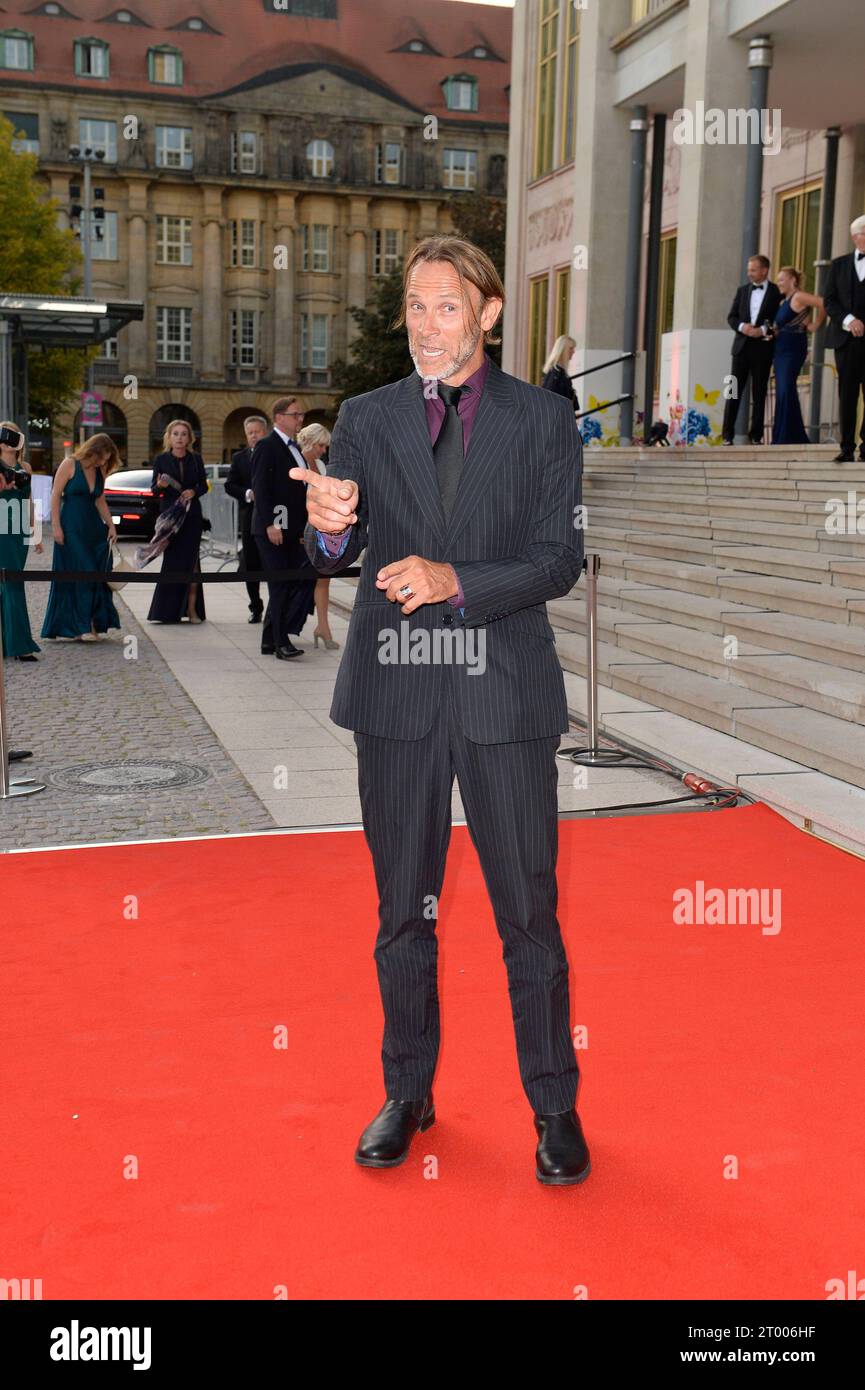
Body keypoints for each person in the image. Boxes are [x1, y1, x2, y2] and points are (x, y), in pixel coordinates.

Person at [292, 234, 589, 1185]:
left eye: (446, 307)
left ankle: (552, 1106)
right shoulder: (367, 418)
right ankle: (407, 1092)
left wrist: (456, 579)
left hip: (504, 694)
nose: (426, 327)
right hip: (397, 695)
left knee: (527, 917)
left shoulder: (543, 422)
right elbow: (337, 550)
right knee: (399, 912)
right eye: (415, 308)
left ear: (489, 312)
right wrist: (327, 530)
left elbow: (556, 559)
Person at [250, 398, 317, 660]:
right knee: (280, 586)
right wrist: (271, 524)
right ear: (278, 417)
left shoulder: (294, 447)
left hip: (291, 528)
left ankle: (269, 640)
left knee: (286, 584)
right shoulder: (267, 445)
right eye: (295, 414)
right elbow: (261, 488)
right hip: (273, 528)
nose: (300, 419)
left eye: (301, 414)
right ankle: (281, 642)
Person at [41, 433, 121, 642]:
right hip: (71, 526)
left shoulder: (100, 469)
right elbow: (55, 495)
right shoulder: (69, 464)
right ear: (93, 450)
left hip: (94, 528)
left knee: (96, 572)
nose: (104, 461)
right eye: (103, 456)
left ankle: (91, 624)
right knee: (85, 570)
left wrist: (111, 525)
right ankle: (81, 626)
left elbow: (100, 500)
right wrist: (56, 527)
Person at [146, 421, 208, 624]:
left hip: (192, 517)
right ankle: (167, 612)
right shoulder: (161, 459)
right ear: (169, 437)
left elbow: (203, 485)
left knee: (192, 564)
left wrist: (194, 491)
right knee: (171, 562)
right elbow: (154, 490)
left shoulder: (196, 459)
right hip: (171, 517)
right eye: (175, 434)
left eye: (183, 434)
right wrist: (160, 485)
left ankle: (192, 610)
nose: (180, 437)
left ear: (189, 438)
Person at [721, 254, 782, 445]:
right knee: (732, 391)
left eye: (753, 270)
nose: (749, 274)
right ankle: (727, 435)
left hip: (763, 349)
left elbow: (779, 319)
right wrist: (743, 327)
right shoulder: (742, 291)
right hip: (740, 349)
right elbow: (731, 317)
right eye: (749, 270)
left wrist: (763, 330)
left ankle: (756, 436)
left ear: (764, 270)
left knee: (759, 393)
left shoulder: (776, 292)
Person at [824, 214, 865, 463]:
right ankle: (847, 447)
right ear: (856, 237)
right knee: (847, 393)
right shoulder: (838, 265)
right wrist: (850, 320)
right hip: (845, 340)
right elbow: (829, 301)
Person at [0, 421, 42, 662]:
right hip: (1, 526)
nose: (7, 439)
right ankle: (19, 646)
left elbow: (29, 500)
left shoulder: (25, 466)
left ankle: (11, 642)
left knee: (12, 582)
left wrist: (35, 533)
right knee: (10, 583)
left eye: (12, 434)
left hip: (19, 529)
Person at [770, 266, 825, 446]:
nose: (779, 283)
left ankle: (788, 437)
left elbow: (823, 303)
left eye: (782, 279)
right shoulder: (784, 301)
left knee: (786, 388)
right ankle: (785, 436)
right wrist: (809, 324)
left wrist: (817, 324)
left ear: (792, 280)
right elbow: (802, 321)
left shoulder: (799, 296)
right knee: (783, 390)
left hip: (793, 348)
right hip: (780, 348)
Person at [297, 422, 338, 650]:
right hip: (300, 530)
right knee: (294, 581)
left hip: (319, 528)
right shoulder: (297, 462)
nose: (324, 450)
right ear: (311, 441)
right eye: (321, 445)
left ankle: (323, 627)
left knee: (324, 579)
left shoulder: (321, 465)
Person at [225, 415, 267, 623]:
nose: (253, 436)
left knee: (273, 564)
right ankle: (256, 606)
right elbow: (230, 484)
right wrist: (248, 494)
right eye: (250, 432)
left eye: (257, 432)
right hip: (249, 518)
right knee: (250, 564)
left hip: (273, 518)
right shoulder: (239, 458)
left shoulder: (273, 454)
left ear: (264, 432)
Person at [541, 335, 580, 412]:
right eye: (571, 348)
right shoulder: (556, 373)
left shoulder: (557, 372)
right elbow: (550, 398)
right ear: (563, 350)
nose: (573, 351)